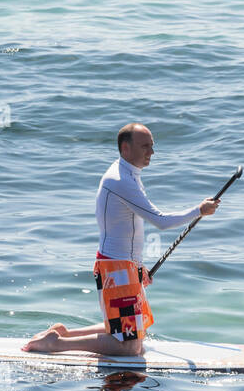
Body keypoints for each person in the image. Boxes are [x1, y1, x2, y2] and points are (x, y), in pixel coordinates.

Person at [22, 123, 219, 356]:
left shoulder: (128, 175)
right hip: (115, 269)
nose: (152, 153)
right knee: (130, 347)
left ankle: (64, 334)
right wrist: (198, 210)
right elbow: (160, 220)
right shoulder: (120, 181)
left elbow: (128, 230)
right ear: (125, 148)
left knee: (135, 331)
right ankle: (56, 345)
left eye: (152, 147)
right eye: (145, 147)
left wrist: (137, 267)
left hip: (123, 266)